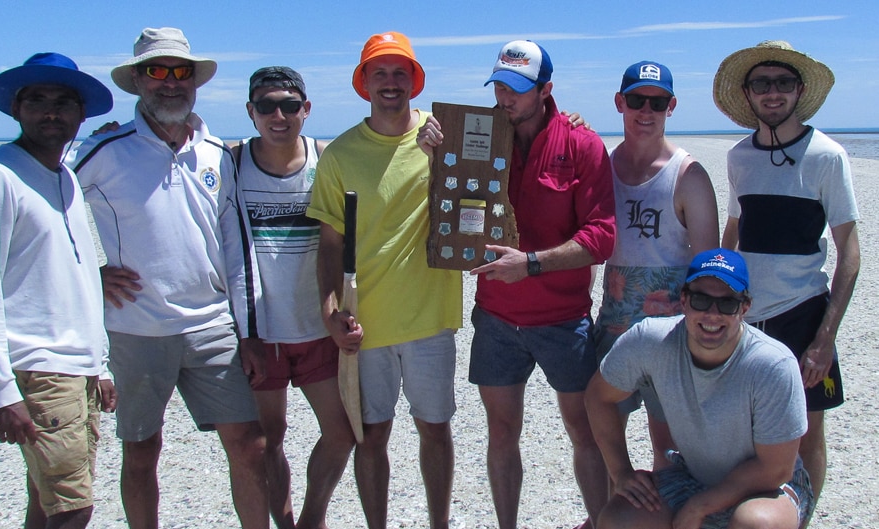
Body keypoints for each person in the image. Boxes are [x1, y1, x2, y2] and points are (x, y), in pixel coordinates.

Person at [67, 28, 268, 529]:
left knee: (249, 443)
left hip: (210, 326)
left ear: (195, 82)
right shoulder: (101, 149)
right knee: (141, 450)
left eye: (181, 73)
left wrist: (251, 332)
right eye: (157, 71)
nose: (170, 83)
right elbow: (44, 208)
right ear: (137, 81)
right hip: (137, 330)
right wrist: (87, 276)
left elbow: (235, 248)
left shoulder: (217, 153)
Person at [421, 39, 616, 529]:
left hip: (563, 318)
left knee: (584, 431)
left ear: (545, 90)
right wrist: (431, 154)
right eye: (500, 86)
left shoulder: (581, 143)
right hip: (496, 319)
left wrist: (529, 263)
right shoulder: (477, 133)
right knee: (501, 433)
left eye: (517, 89)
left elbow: (601, 236)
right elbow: (453, 196)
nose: (505, 97)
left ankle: (603, 522)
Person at [306, 31, 463, 529]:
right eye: (380, 73)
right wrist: (331, 312)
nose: (390, 83)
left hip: (430, 319)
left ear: (414, 81)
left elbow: (486, 188)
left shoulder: (444, 138)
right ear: (364, 82)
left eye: (400, 72)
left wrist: (446, 156)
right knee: (372, 439)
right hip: (365, 324)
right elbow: (328, 244)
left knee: (434, 432)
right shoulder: (340, 154)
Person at [0, 52, 116, 529]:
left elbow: (76, 273)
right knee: (74, 509)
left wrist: (99, 364)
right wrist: (0, 391)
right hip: (40, 367)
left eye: (64, 102)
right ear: (15, 109)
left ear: (80, 114)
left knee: (45, 502)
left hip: (75, 367)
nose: (51, 112)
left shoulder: (63, 176)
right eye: (38, 100)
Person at [714, 40, 860, 513]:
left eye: (782, 83)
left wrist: (825, 337)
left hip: (803, 313)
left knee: (808, 427)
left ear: (799, 91)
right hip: (748, 317)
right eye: (762, 84)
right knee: (750, 425)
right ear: (748, 93)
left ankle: (804, 516)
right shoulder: (739, 157)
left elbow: (849, 254)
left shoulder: (828, 156)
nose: (772, 93)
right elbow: (732, 231)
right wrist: (717, 301)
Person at [587, 248, 814, 529]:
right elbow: (599, 397)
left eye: (727, 304)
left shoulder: (772, 365)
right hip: (692, 476)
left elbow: (776, 468)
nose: (712, 314)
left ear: (745, 307)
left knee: (755, 524)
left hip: (768, 488)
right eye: (701, 300)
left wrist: (699, 506)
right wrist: (620, 470)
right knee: (619, 520)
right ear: (684, 300)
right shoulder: (650, 341)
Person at [234, 66, 355, 529]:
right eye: (266, 105)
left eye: (289, 105)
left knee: (341, 434)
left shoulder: (326, 159)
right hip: (261, 332)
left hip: (315, 325)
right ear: (251, 112)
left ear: (306, 109)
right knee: (270, 437)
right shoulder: (231, 162)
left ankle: (311, 519)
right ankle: (282, 522)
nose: (278, 115)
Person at [593, 61, 719, 471]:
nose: (646, 112)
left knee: (668, 444)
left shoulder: (689, 175)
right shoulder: (601, 167)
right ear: (619, 103)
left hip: (671, 335)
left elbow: (708, 268)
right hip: (612, 322)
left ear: (672, 106)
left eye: (658, 102)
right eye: (636, 100)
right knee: (605, 436)